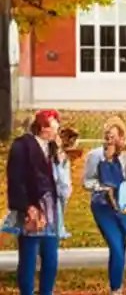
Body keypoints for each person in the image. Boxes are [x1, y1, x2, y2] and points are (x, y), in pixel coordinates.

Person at [3, 110, 65, 295]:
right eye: (54, 126)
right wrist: (27, 206)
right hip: (32, 209)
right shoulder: (22, 146)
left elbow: (60, 181)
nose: (57, 130)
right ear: (43, 128)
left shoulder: (52, 149)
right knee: (29, 258)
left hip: (51, 211)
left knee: (51, 260)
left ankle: (46, 292)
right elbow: (16, 179)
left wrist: (60, 158)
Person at [83, 116, 126, 295]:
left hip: (125, 207)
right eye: (108, 135)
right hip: (103, 206)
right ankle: (116, 290)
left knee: (121, 245)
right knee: (116, 245)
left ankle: (116, 284)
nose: (111, 140)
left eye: (115, 136)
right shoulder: (95, 156)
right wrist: (103, 187)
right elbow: (86, 181)